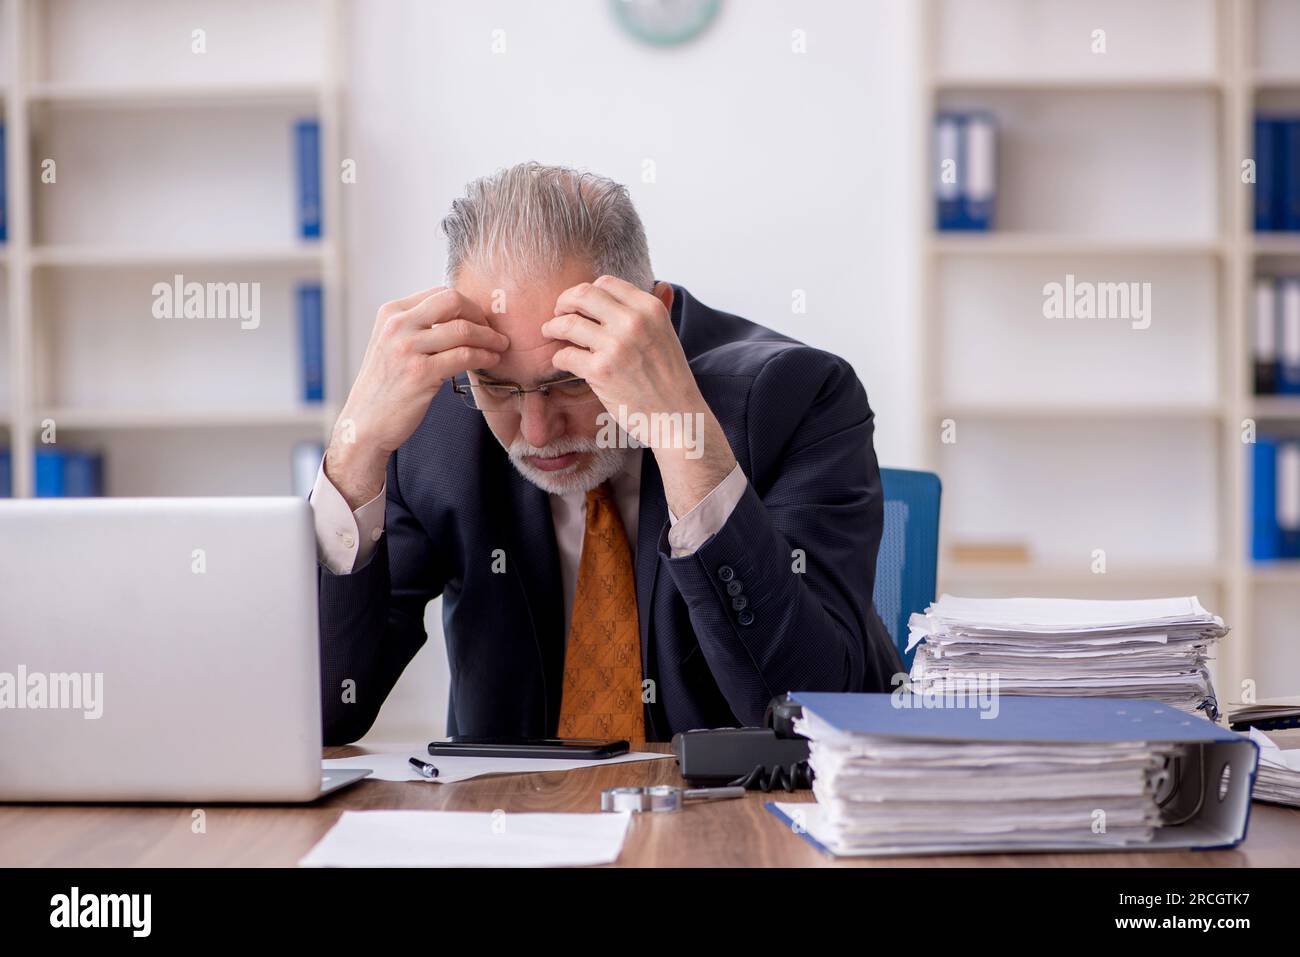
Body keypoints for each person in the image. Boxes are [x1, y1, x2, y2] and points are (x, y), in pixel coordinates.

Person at [313, 161, 902, 744]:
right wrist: (356, 447)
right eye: (499, 386)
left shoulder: (793, 398)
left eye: (570, 380)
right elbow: (324, 714)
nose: (536, 434)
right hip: (511, 818)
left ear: (654, 320)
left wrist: (682, 436)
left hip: (731, 820)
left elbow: (812, 716)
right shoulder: (436, 412)